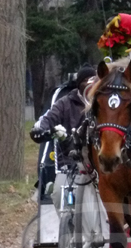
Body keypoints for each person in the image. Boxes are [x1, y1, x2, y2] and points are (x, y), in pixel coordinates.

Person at [30, 65, 97, 207]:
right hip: (69, 163)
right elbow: (47, 118)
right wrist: (40, 129)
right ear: (79, 84)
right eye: (86, 80)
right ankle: (68, 224)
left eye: (93, 79)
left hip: (98, 163)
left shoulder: (101, 103)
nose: (90, 83)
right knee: (59, 195)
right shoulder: (65, 103)